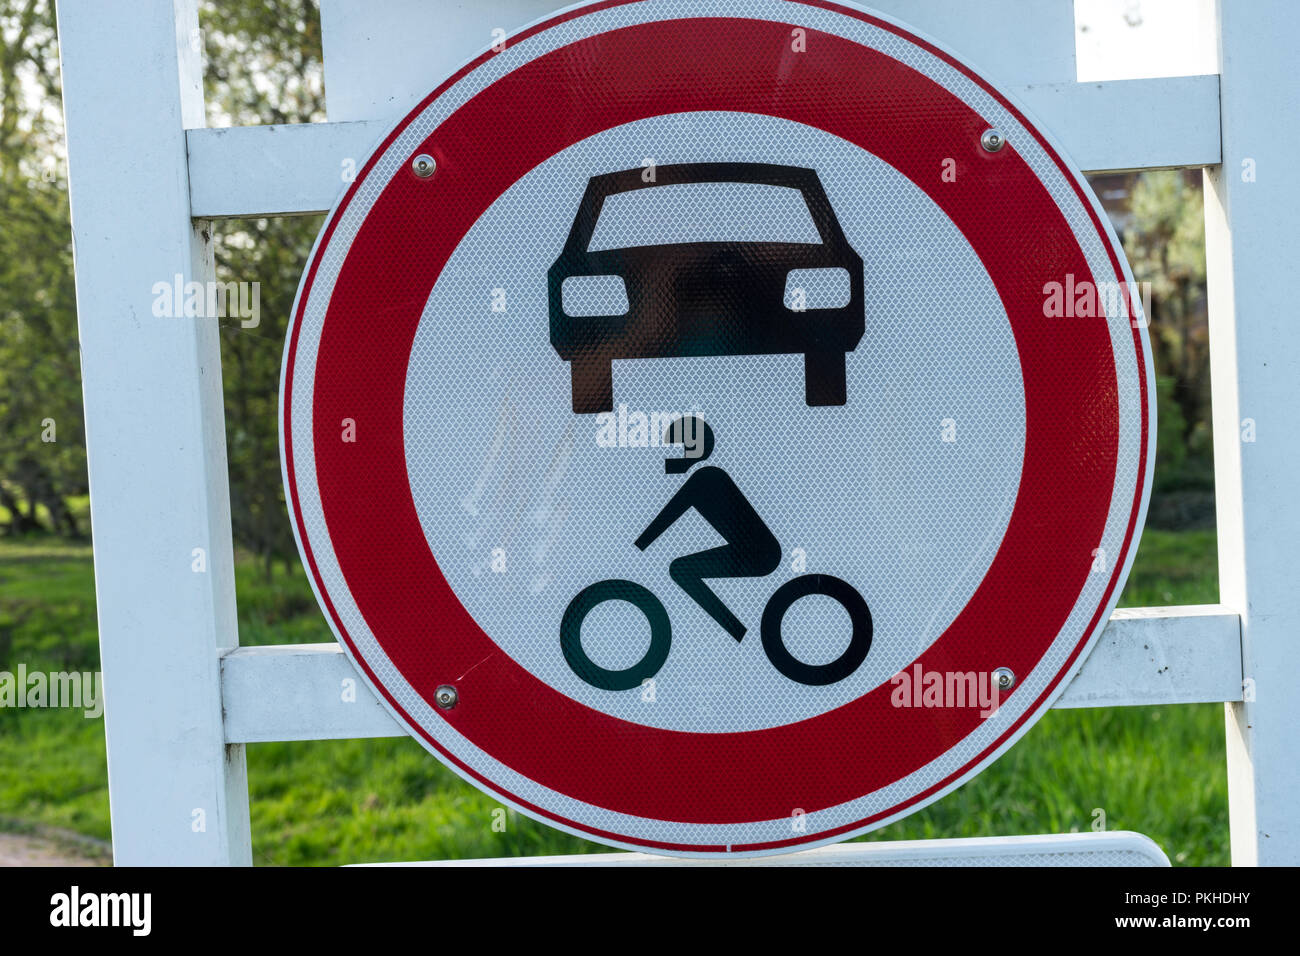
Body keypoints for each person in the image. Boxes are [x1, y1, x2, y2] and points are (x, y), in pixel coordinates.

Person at [634, 417, 780, 640]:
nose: (669, 460)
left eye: (678, 448)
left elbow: (667, 517)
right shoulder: (708, 477)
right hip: (757, 553)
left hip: (760, 556)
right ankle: (738, 631)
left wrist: (638, 547)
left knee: (680, 569)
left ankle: (738, 632)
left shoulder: (705, 479)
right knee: (680, 569)